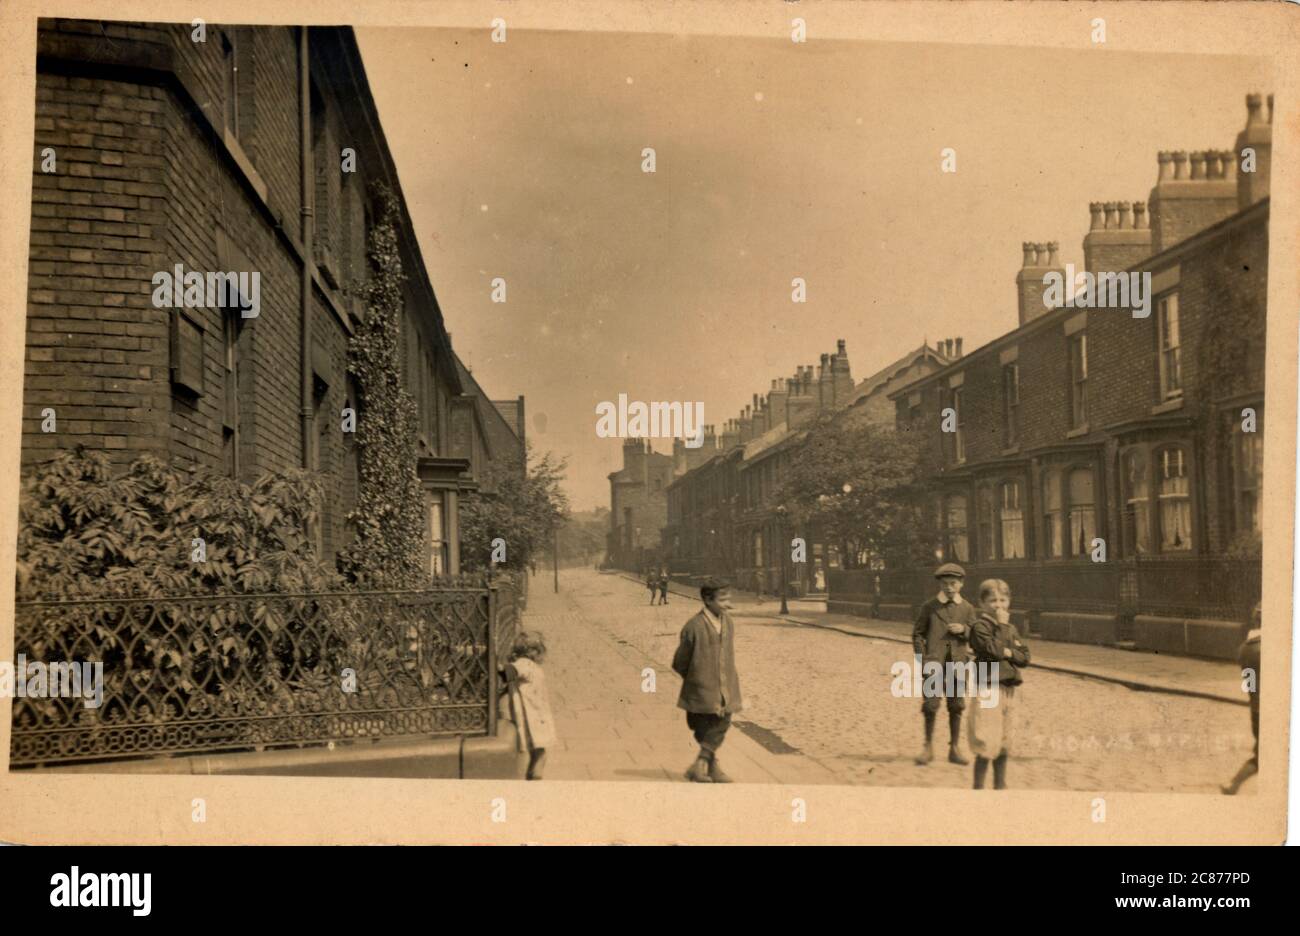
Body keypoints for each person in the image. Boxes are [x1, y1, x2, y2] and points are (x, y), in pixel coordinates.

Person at [671, 578, 743, 783]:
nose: (728, 601)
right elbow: (679, 662)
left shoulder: (728, 622)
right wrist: (698, 680)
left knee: (723, 721)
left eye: (728, 596)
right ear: (707, 600)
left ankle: (702, 764)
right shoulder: (693, 627)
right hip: (700, 689)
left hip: (727, 687)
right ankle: (710, 767)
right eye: (722, 598)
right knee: (701, 727)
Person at [966, 578, 1030, 789]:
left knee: (1005, 740)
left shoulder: (1010, 628)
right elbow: (992, 651)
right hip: (988, 689)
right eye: (993, 600)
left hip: (1009, 688)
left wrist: (1009, 651)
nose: (999, 605)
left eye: (1003, 600)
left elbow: (1025, 657)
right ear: (982, 603)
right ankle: (978, 789)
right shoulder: (979, 627)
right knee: (986, 741)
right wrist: (1002, 630)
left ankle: (1000, 787)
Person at [912, 562, 977, 766]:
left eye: (953, 583)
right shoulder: (930, 607)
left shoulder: (967, 608)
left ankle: (954, 748)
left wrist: (965, 630)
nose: (949, 587)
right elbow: (918, 634)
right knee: (930, 705)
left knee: (956, 706)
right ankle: (928, 746)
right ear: (939, 584)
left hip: (957, 665)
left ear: (961, 584)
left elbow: (977, 636)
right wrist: (924, 659)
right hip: (934, 664)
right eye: (945, 584)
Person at [500, 630, 556, 780]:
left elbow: (510, 673)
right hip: (536, 717)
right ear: (535, 652)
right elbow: (511, 672)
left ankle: (533, 778)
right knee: (540, 753)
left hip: (535, 716)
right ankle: (535, 779)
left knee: (536, 752)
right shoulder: (527, 665)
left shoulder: (525, 664)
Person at [1222, 601, 1262, 795]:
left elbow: (1249, 685)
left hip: (1256, 709)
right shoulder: (1270, 649)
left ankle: (1233, 784)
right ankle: (1233, 784)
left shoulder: (1244, 649)